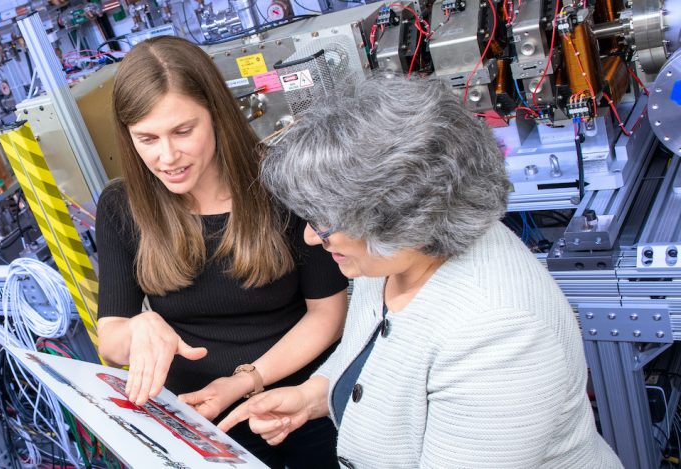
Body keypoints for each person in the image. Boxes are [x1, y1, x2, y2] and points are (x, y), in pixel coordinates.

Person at [219, 77, 624, 468]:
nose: (311, 237)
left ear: (393, 213)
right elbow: (371, 354)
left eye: (323, 221)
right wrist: (313, 396)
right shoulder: (397, 253)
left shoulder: (498, 334)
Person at [94, 36, 349, 468]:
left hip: (298, 400)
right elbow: (112, 339)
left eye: (183, 131)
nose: (167, 157)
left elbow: (328, 314)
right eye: (147, 138)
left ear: (216, 113)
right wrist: (139, 328)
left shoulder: (284, 183)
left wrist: (244, 381)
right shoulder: (122, 206)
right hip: (195, 419)